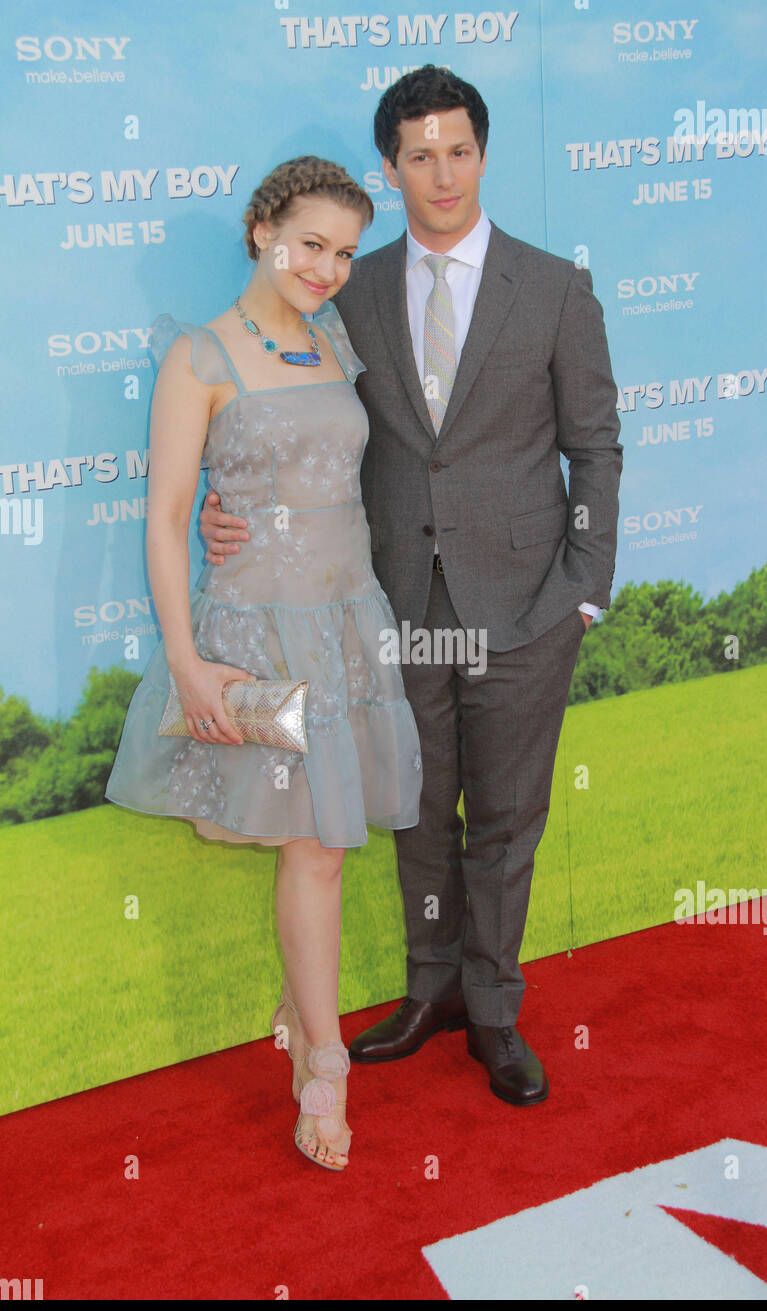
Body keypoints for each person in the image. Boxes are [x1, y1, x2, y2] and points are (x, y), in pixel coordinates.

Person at [201, 67, 623, 1106]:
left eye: (459, 151)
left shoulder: (554, 288)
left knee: (508, 817)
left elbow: (594, 447)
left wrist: (583, 590)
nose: (442, 173)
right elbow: (303, 427)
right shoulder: (352, 287)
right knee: (417, 811)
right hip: (390, 606)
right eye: (419, 155)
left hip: (526, 607)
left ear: (483, 153)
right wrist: (234, 512)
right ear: (387, 168)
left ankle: (492, 1009)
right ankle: (427, 988)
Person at [105, 156, 423, 1171]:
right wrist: (188, 663)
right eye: (308, 244)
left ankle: (306, 1026)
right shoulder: (198, 358)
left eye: (343, 251)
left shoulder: (337, 341)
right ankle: (323, 1062)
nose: (326, 268)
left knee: (321, 843)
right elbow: (163, 519)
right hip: (254, 637)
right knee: (311, 840)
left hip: (344, 627)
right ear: (258, 230)